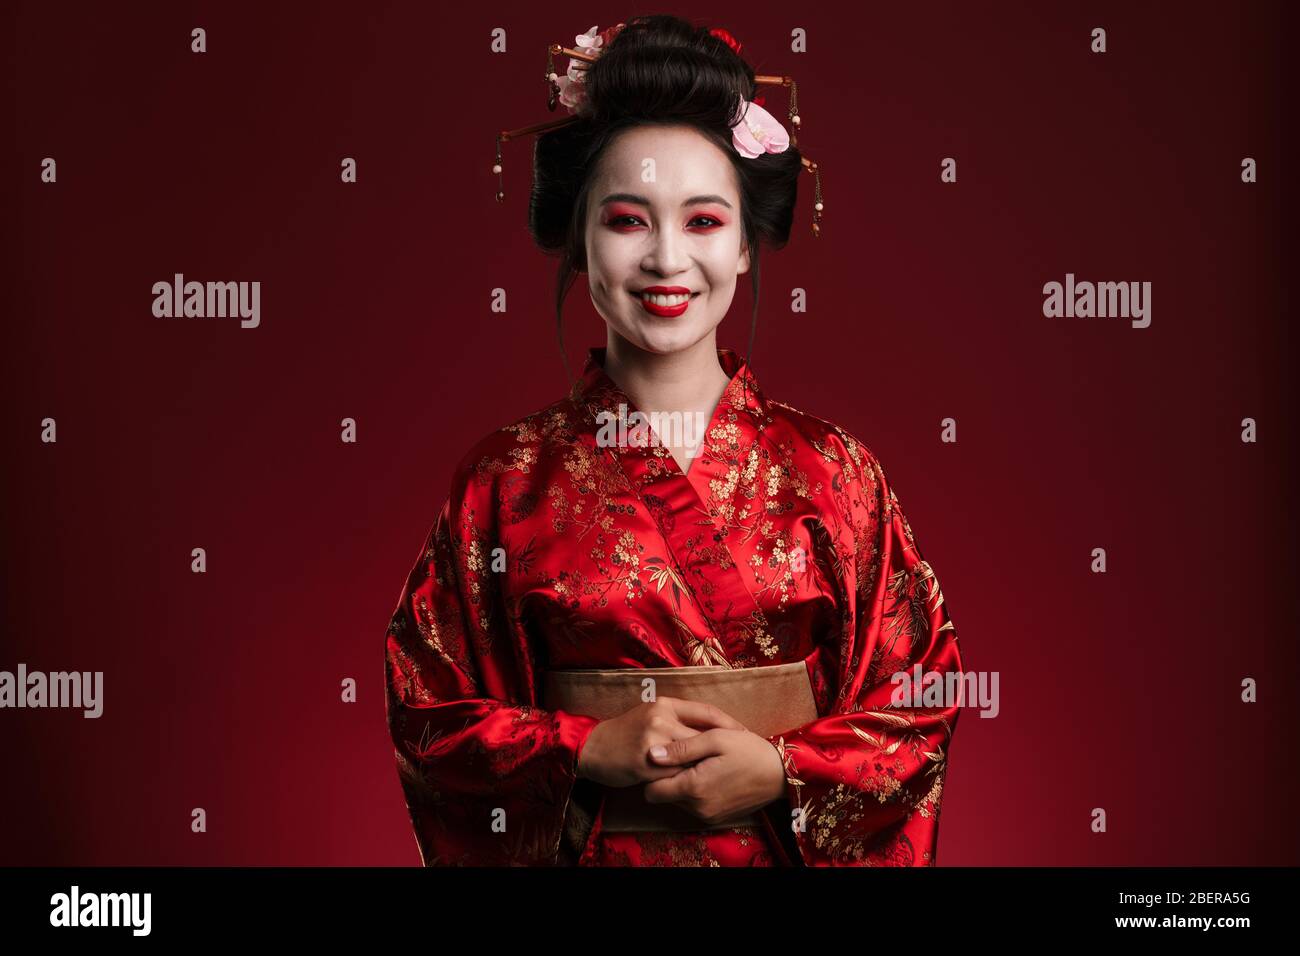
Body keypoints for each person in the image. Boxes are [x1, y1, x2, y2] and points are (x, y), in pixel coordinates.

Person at [384, 13, 963, 866]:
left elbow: (923, 695)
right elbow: (428, 711)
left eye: (702, 223)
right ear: (580, 241)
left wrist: (778, 766)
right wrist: (583, 749)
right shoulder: (504, 482)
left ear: (743, 247)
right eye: (627, 220)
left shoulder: (835, 473)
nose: (665, 259)